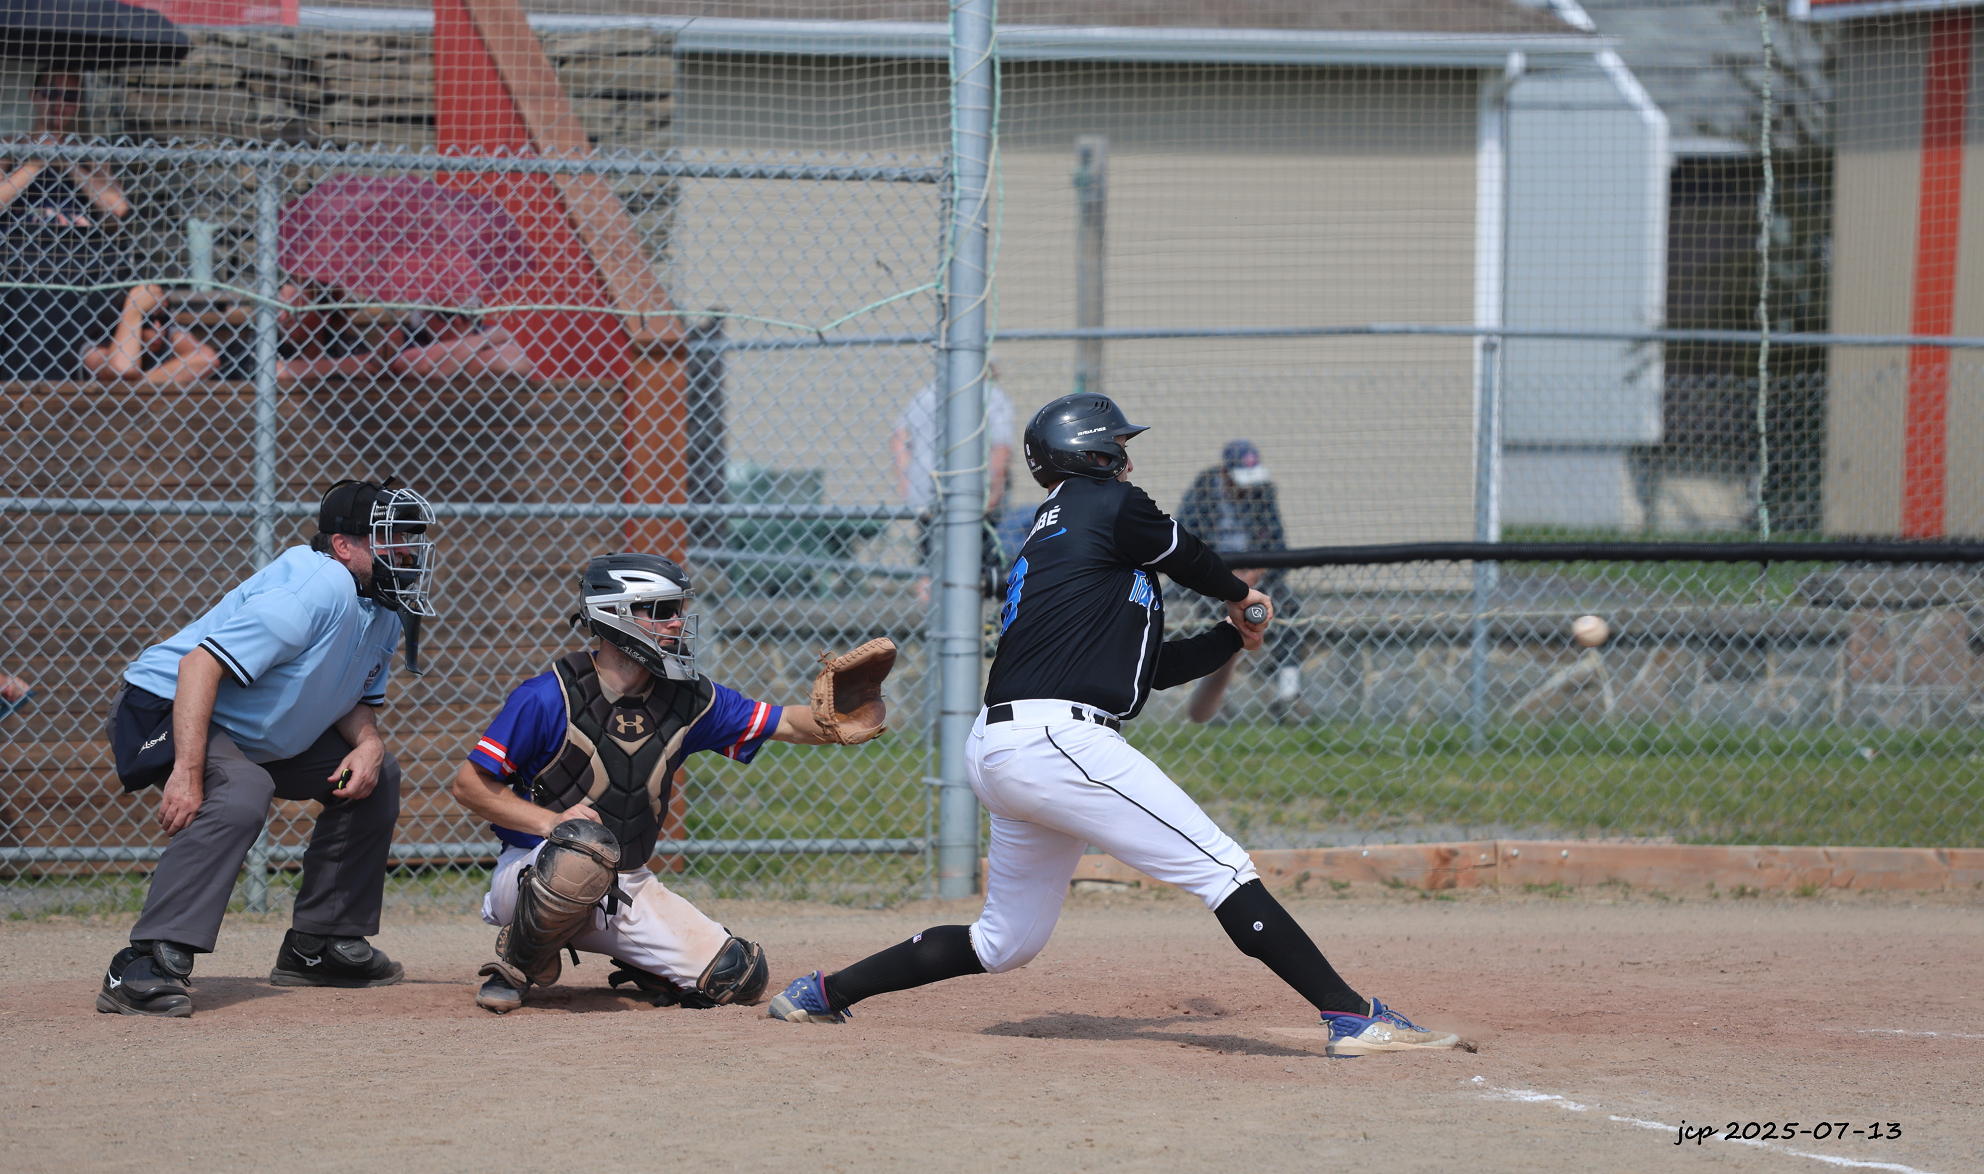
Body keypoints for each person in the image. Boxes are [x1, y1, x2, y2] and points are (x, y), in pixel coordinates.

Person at [766, 393, 1466, 1058]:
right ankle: (1351, 1015)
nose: (1127, 459)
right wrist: (1240, 595)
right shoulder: (1103, 504)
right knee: (1222, 868)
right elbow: (1188, 554)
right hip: (1055, 742)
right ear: (1092, 456)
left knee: (1003, 944)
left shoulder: (1065, 542)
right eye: (1117, 447)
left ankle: (821, 992)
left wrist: (1230, 639)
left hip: (1010, 746)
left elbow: (1149, 668)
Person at [450, 552, 868, 1014]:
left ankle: (642, 960)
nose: (677, 623)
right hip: (534, 876)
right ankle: (520, 960)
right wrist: (551, 822)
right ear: (616, 613)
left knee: (739, 978)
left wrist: (843, 716)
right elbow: (469, 785)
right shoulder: (549, 696)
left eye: (679, 611)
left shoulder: (686, 697)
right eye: (664, 611)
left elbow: (785, 723)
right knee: (578, 848)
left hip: (627, 881)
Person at [95, 477, 440, 1017]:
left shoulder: (382, 606)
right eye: (392, 538)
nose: (406, 551)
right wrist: (188, 772)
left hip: (253, 727)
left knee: (376, 776)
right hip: (165, 704)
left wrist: (369, 743)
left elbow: (353, 696)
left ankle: (320, 946)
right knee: (239, 792)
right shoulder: (314, 586)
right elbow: (199, 665)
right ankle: (143, 963)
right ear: (343, 545)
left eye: (411, 539)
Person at [0, 71, 135, 382]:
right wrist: (35, 163)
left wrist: (69, 162)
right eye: (51, 93)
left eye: (70, 98)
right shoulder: (10, 148)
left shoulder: (90, 154)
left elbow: (118, 207)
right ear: (35, 97)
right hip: (21, 268)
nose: (59, 105)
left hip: (78, 269)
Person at [1177, 439, 1303, 716]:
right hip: (1209, 572)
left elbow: (1276, 543)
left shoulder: (1263, 492)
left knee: (1289, 606)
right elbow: (1186, 539)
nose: (1246, 488)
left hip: (1256, 573)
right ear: (1225, 473)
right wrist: (1222, 575)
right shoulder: (1204, 490)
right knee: (1211, 613)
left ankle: (1289, 694)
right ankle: (1216, 698)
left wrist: (1254, 573)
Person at [891, 365, 1015, 601]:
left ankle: (929, 619)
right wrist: (995, 489)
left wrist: (907, 479)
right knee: (976, 561)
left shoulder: (927, 393)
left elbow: (899, 437)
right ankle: (966, 622)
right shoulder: (992, 396)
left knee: (930, 558)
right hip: (974, 493)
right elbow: (1001, 448)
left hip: (927, 488)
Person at [79, 282, 221, 387]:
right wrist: (133, 309)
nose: (158, 328)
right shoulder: (94, 349)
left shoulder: (169, 335)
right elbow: (123, 369)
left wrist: (138, 383)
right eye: (148, 320)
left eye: (163, 318)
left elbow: (207, 358)